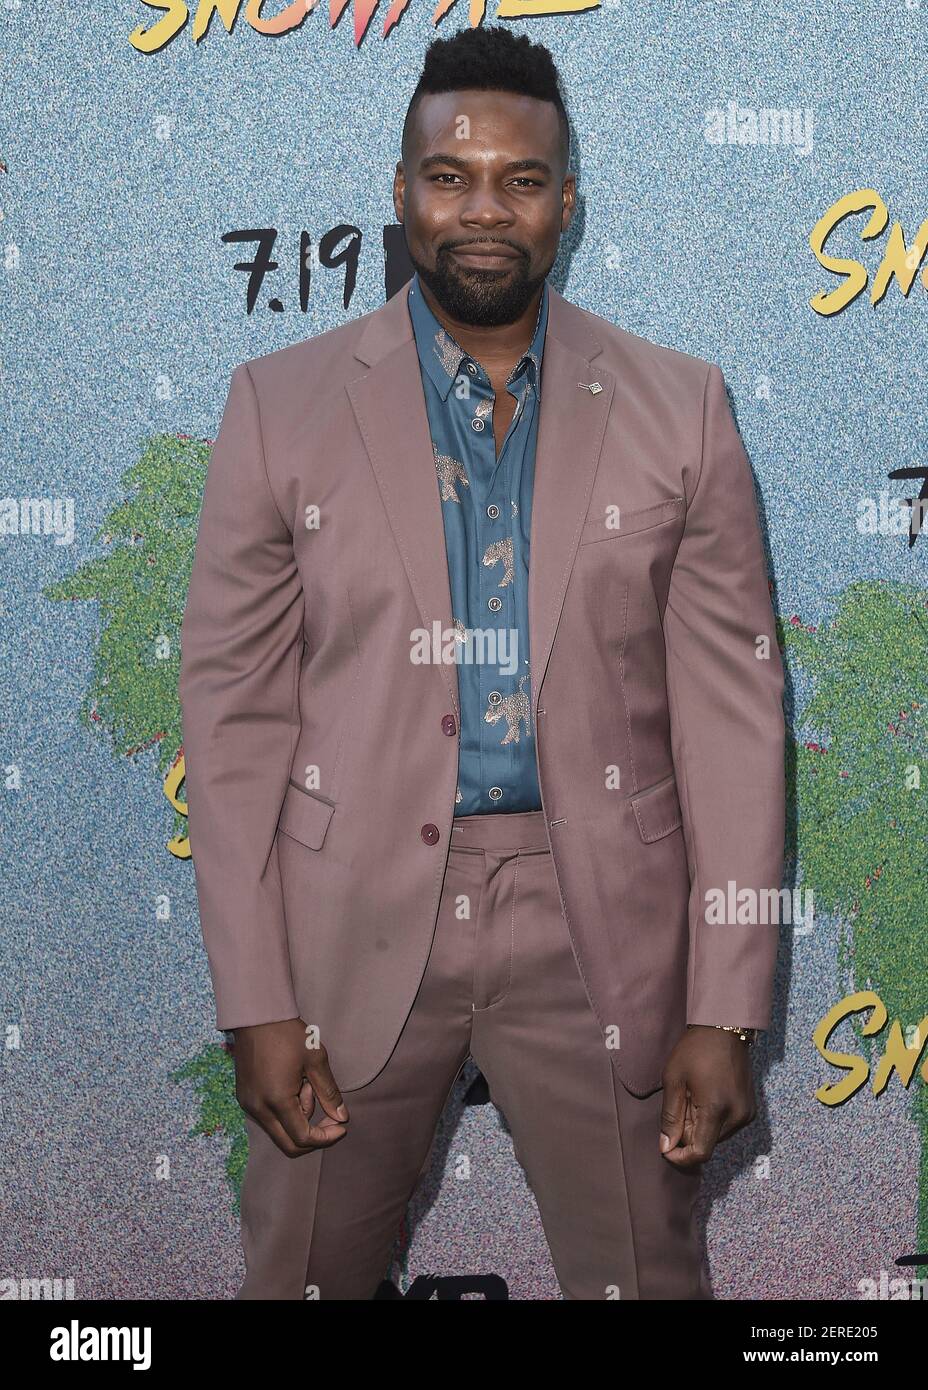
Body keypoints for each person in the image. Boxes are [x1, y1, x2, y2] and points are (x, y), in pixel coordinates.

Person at [178, 25, 786, 1300]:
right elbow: (232, 726)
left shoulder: (683, 409)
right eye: (448, 176)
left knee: (648, 1281)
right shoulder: (277, 407)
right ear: (399, 194)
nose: (482, 209)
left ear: (568, 202)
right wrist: (254, 999)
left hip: (601, 929)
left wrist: (724, 1010)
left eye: (520, 179)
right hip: (345, 935)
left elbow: (732, 731)